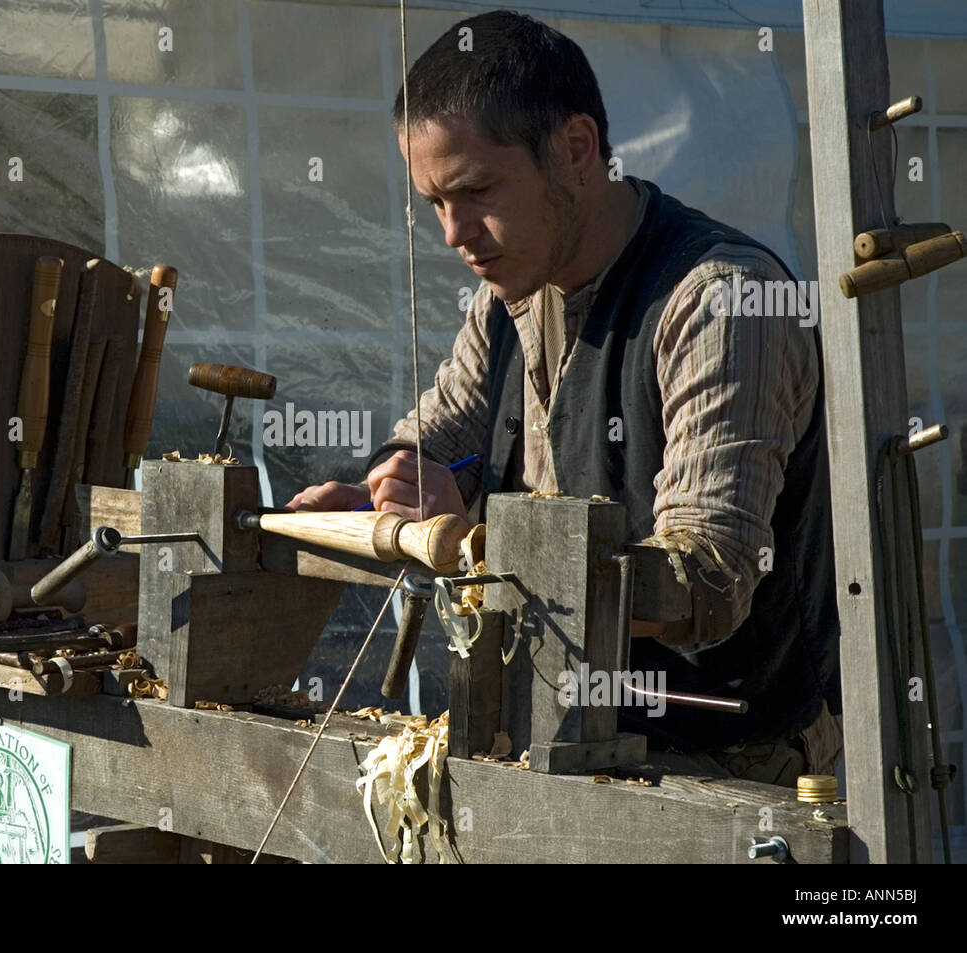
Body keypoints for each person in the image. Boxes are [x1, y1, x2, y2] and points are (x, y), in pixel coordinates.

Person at [284, 11, 842, 785]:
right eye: (434, 203)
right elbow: (444, 432)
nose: (453, 233)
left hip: (723, 773)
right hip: (548, 746)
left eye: (476, 190)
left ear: (576, 150)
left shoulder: (721, 303)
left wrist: (483, 539)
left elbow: (711, 579)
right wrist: (395, 486)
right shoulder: (510, 293)